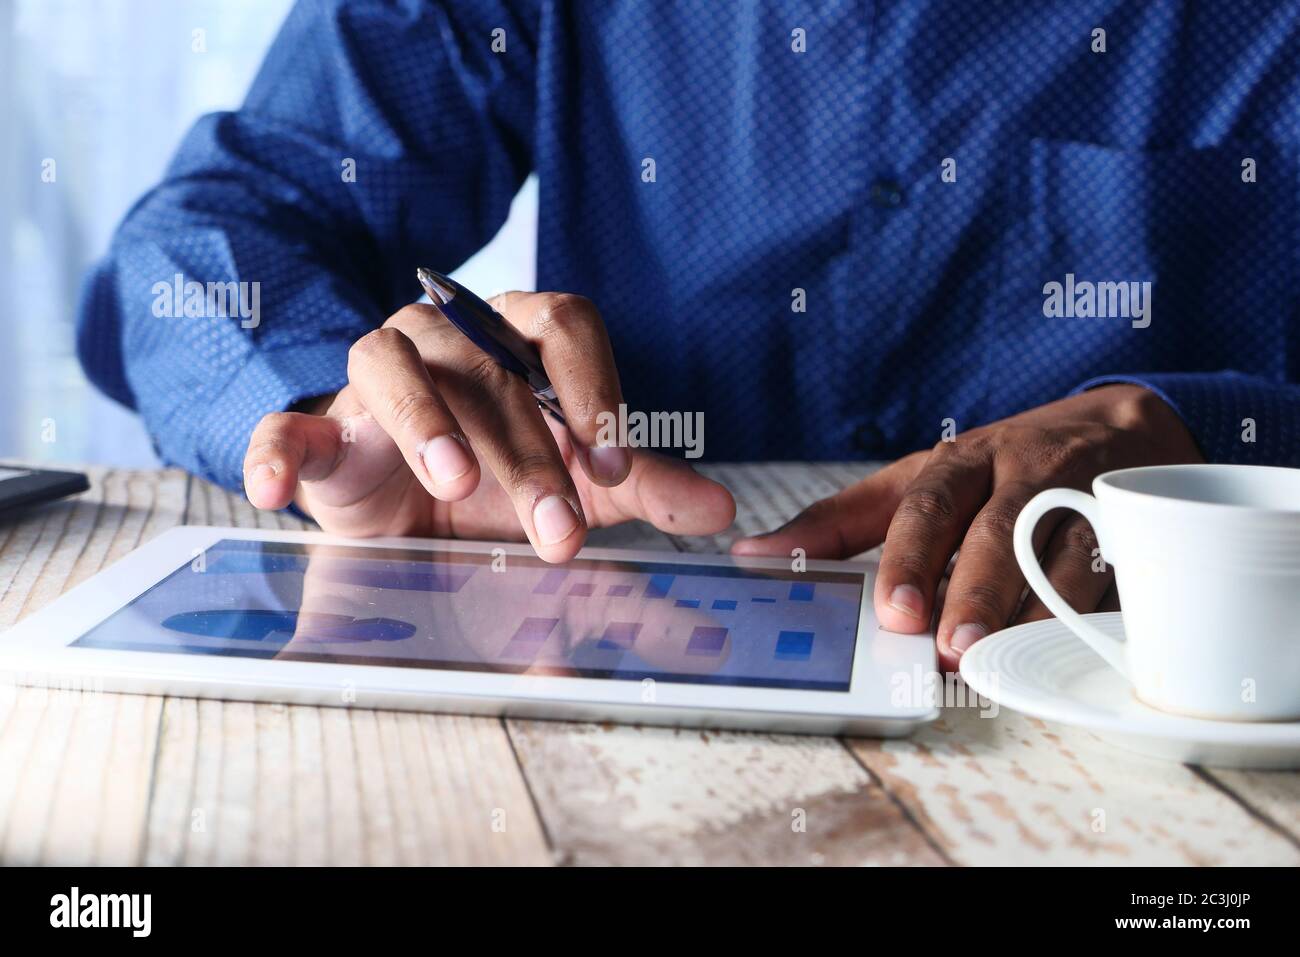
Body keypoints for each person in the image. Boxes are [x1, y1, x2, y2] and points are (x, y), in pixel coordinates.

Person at [78, 0, 1299, 671]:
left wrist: (1213, 433)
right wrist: (322, 400)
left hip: (1147, 698)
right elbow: (214, 231)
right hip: (620, 671)